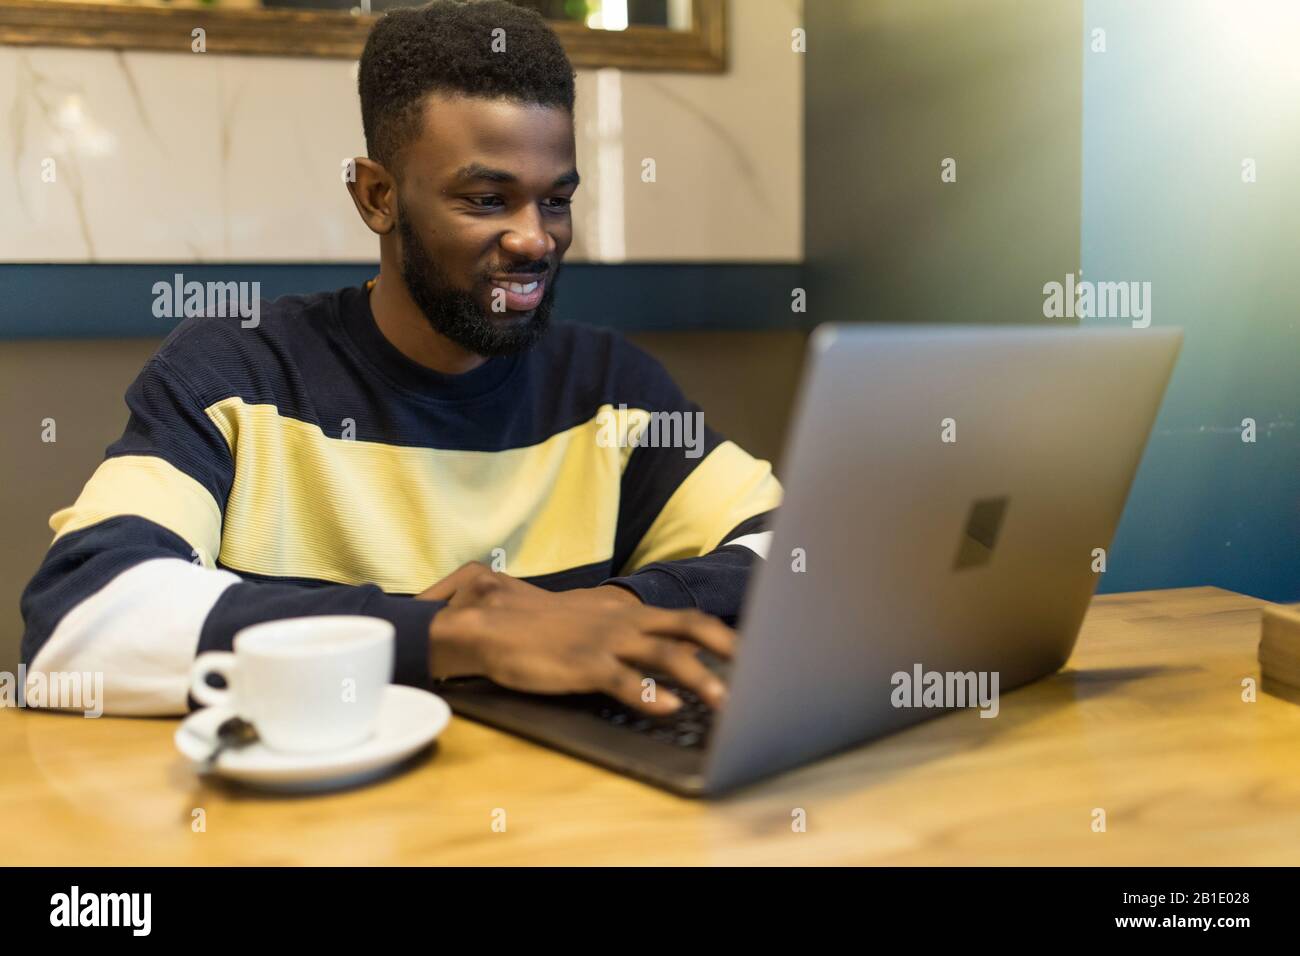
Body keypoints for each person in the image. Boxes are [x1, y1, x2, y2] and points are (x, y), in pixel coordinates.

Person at [19, 0, 781, 718]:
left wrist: (608, 612)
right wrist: (461, 637)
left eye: (556, 200)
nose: (535, 239)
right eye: (487, 200)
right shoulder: (234, 375)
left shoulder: (616, 393)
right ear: (378, 197)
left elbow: (807, 550)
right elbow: (79, 623)